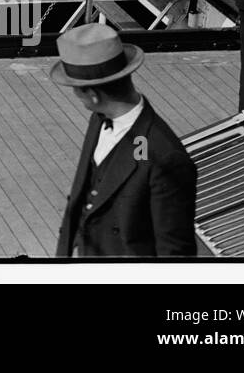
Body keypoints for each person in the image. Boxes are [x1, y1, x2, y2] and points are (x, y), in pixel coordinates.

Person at [52, 24, 198, 258]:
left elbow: (175, 254)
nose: (75, 96)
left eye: (76, 90)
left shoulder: (167, 158)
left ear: (93, 94)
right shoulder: (98, 120)